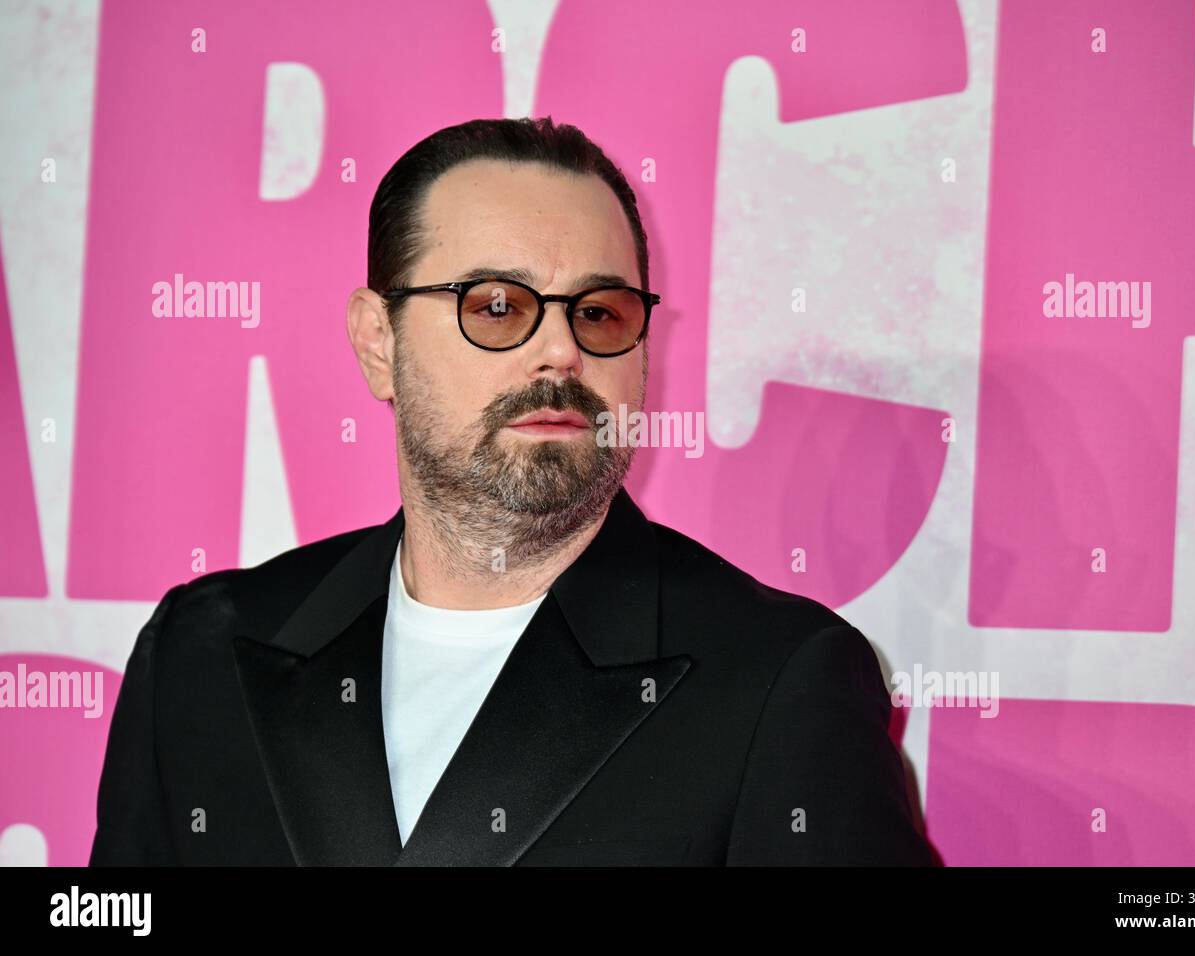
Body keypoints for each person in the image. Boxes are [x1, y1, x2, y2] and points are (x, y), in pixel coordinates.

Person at [89, 116, 933, 866]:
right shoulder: (200, 651)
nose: (560, 354)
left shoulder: (779, 680)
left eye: (599, 312)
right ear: (377, 342)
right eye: (497, 306)